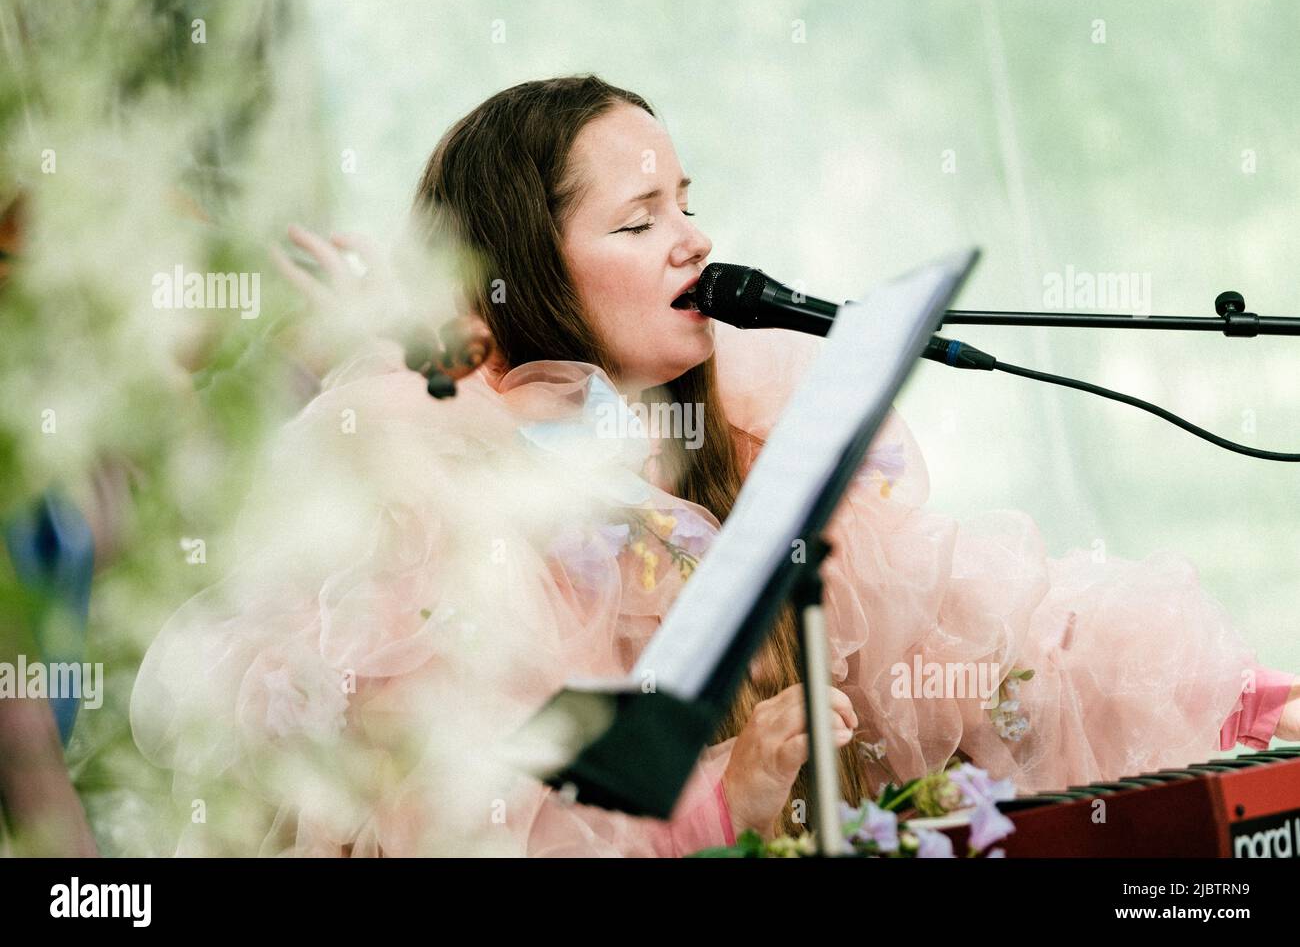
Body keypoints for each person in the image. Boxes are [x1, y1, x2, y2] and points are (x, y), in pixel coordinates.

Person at [131, 75, 1300, 857]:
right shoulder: (434, 493)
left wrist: (1234, 704)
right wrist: (715, 801)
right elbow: (449, 816)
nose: (693, 237)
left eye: (688, 202)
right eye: (638, 220)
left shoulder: (759, 433)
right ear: (522, 272)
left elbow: (989, 630)